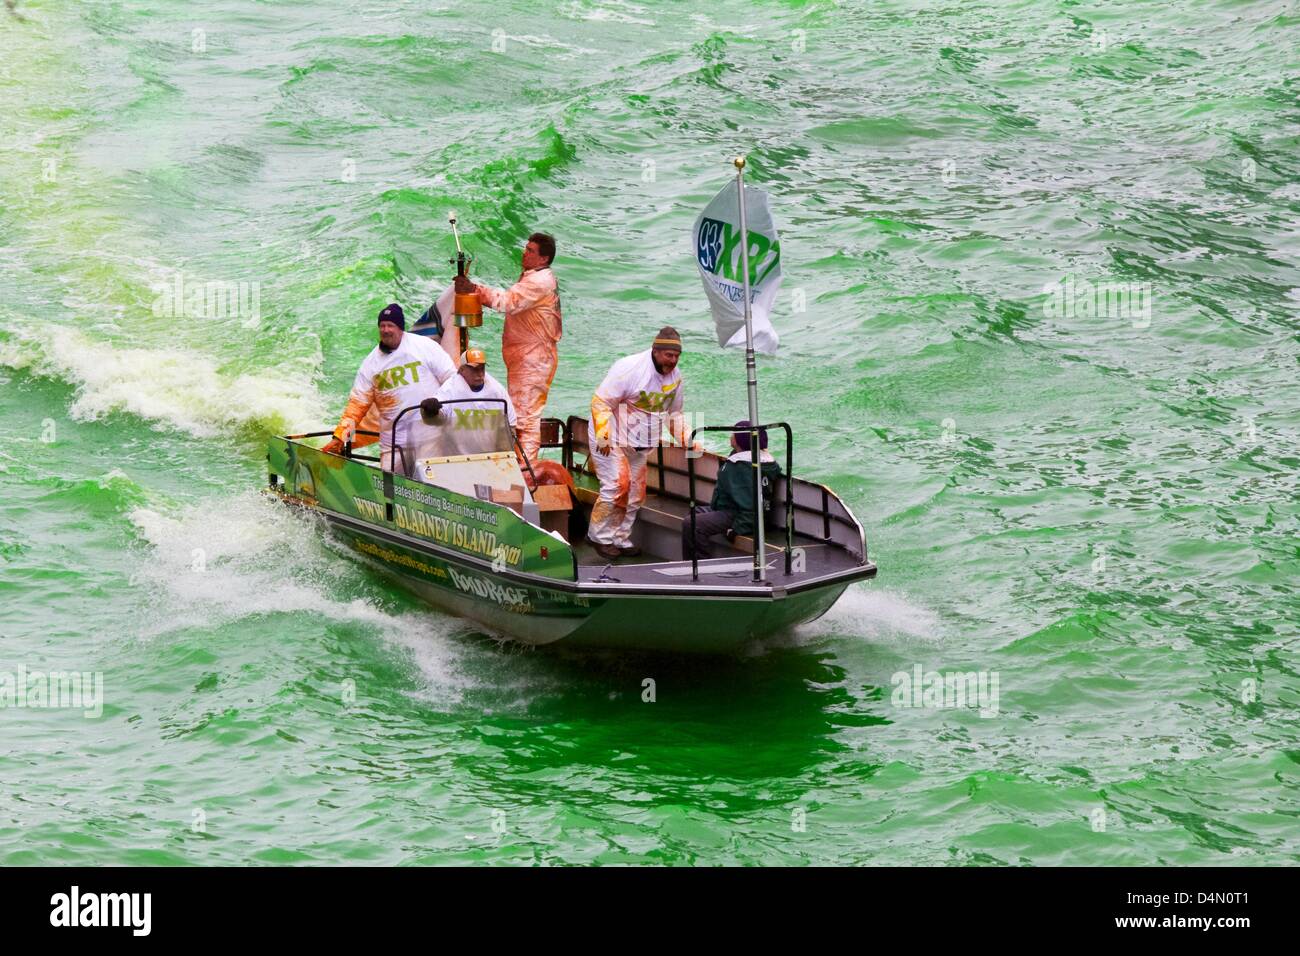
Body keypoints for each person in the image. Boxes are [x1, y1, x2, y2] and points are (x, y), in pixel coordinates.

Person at [586, 326, 695, 560]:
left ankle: (620, 538)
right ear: (655, 351)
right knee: (617, 485)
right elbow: (600, 402)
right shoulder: (630, 368)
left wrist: (688, 439)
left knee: (636, 493)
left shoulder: (675, 379)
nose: (673, 361)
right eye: (669, 355)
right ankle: (598, 537)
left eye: (677, 356)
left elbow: (674, 414)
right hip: (610, 437)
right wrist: (603, 436)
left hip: (640, 443)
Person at [457, 232, 561, 466]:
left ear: (543, 259)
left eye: (531, 251)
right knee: (521, 414)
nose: (525, 253)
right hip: (528, 356)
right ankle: (521, 464)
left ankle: (526, 469)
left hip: (535, 358)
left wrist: (475, 289)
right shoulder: (534, 277)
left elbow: (507, 302)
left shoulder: (539, 281)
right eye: (526, 248)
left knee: (526, 418)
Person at [321, 303, 457, 473]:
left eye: (390, 325)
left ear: (401, 328)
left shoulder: (425, 347)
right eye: (382, 326)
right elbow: (356, 406)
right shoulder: (371, 364)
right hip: (394, 441)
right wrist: (340, 436)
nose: (385, 330)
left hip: (430, 435)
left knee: (432, 486)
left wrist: (439, 402)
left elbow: (452, 380)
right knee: (389, 489)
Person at [682, 422, 783, 561]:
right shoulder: (750, 461)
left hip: (736, 515)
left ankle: (699, 565)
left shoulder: (742, 468)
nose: (731, 436)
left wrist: (737, 529)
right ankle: (693, 559)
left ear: (739, 440)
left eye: (733, 433)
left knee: (692, 524)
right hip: (729, 509)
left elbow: (750, 506)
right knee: (695, 512)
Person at [415, 348, 517, 458]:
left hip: (491, 458)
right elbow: (436, 419)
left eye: (482, 368)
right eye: (474, 369)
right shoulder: (451, 389)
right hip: (457, 460)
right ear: (462, 370)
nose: (479, 374)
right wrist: (429, 411)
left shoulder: (496, 390)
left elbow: (510, 426)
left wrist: (502, 458)